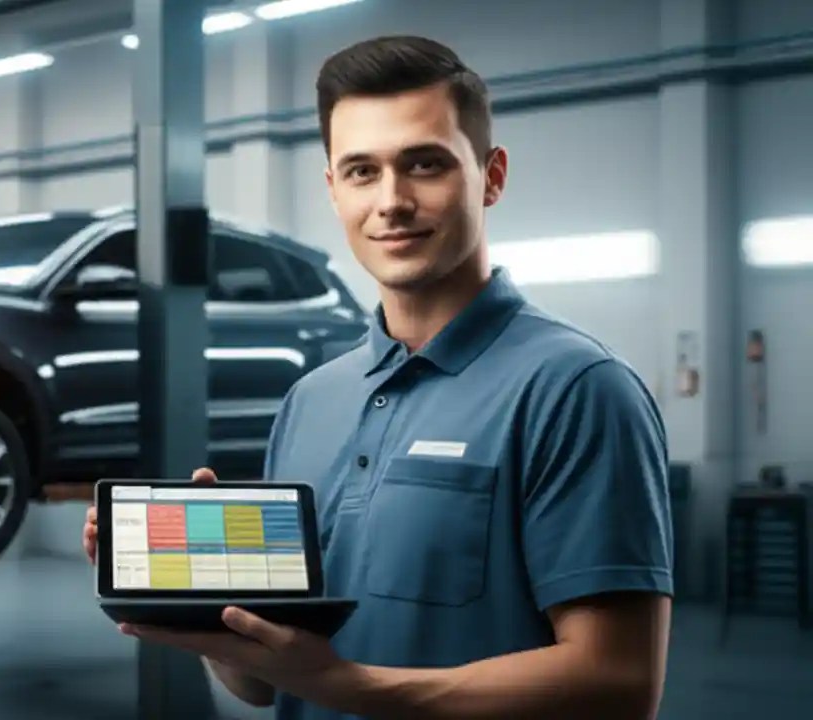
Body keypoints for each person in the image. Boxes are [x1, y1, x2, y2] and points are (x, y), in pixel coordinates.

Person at [83, 34, 673, 720]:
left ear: (492, 176)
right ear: (334, 190)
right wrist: (206, 608)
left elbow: (619, 682)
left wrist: (353, 686)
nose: (392, 201)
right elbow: (265, 683)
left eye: (424, 164)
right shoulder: (311, 400)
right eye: (362, 171)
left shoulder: (577, 389)